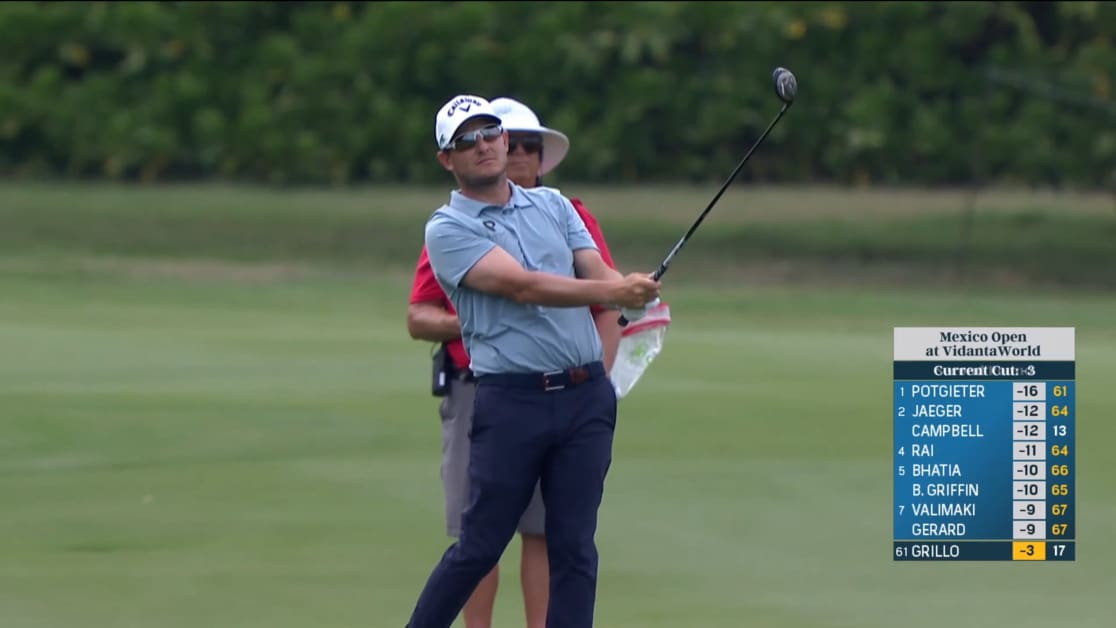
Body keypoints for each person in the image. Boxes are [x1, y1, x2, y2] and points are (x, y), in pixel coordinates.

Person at [403, 94, 660, 628]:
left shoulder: (557, 206)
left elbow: (598, 272)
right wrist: (615, 292)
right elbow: (522, 286)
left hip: (585, 395)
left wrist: (627, 289)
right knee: (479, 546)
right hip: (511, 401)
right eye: (466, 140)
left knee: (574, 547)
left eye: (490, 133)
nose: (485, 146)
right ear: (447, 159)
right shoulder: (447, 229)